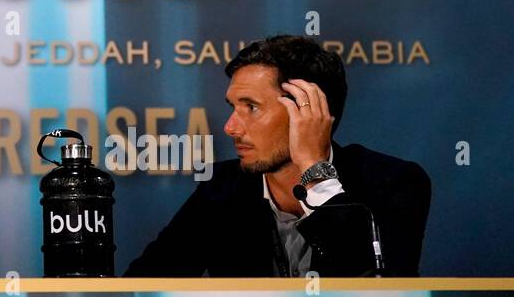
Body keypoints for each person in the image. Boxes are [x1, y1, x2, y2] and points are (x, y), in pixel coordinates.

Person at [126, 34, 431, 277]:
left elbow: (381, 293)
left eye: (252, 107)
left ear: (306, 110)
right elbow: (144, 286)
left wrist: (315, 171)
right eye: (233, 107)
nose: (230, 127)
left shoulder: (393, 183)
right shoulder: (220, 189)